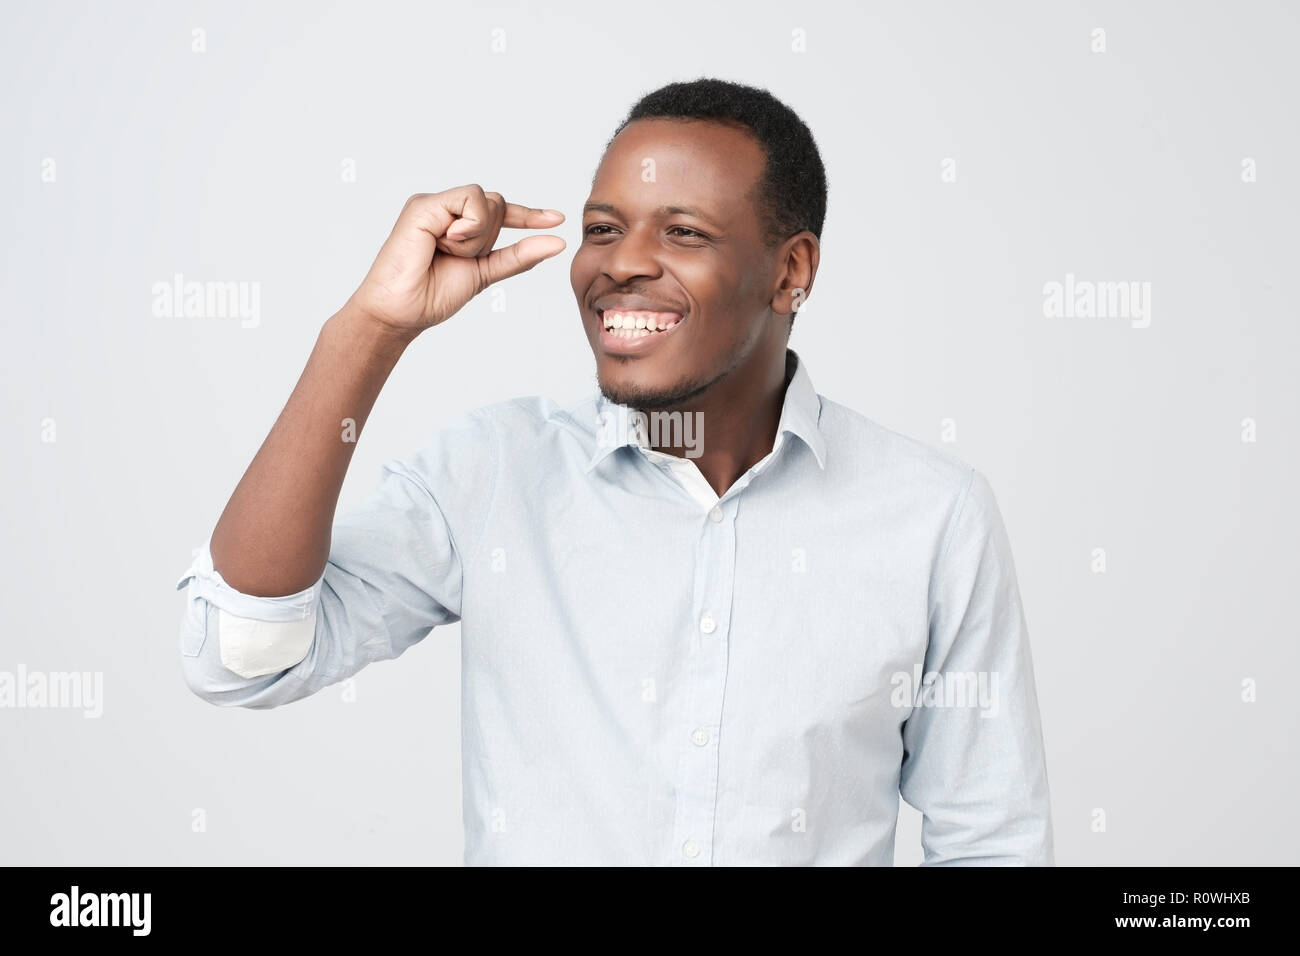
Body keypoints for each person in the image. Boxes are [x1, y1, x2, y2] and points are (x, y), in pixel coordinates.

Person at [176, 77, 1054, 866]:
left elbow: (992, 841)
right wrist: (371, 328)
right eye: (602, 229)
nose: (621, 263)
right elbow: (242, 654)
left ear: (791, 271)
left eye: (683, 232)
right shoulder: (494, 472)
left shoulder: (931, 516)